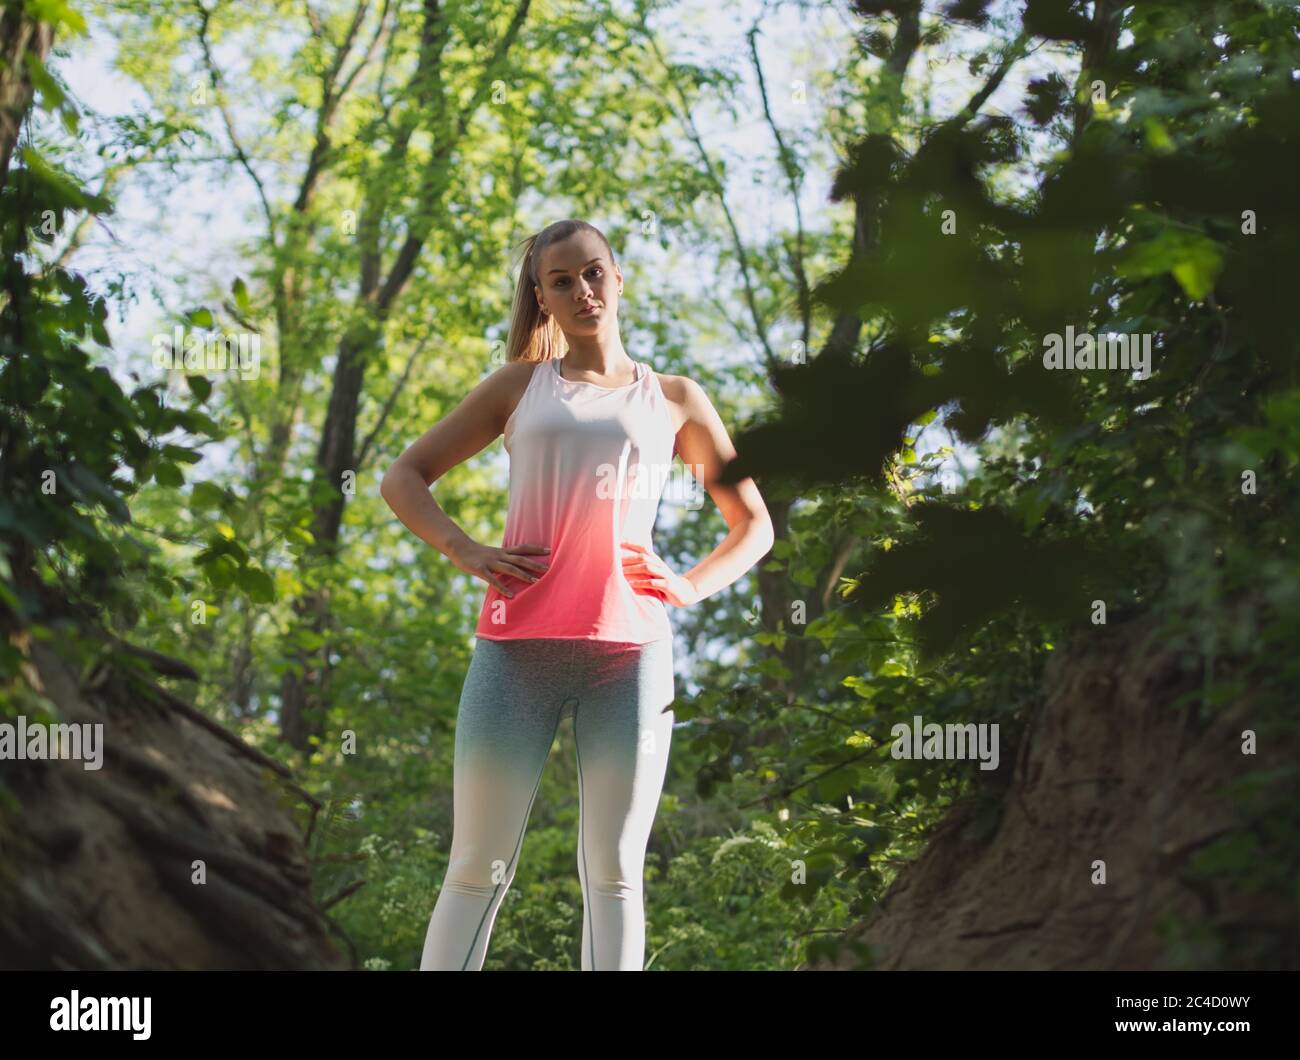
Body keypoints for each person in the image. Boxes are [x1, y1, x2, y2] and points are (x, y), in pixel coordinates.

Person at [380, 219, 775, 970]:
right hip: (514, 652)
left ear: (618, 278)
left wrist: (689, 585)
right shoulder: (517, 387)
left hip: (630, 656)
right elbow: (404, 477)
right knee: (475, 867)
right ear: (543, 298)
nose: (582, 290)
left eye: (593, 273)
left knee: (616, 874)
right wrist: (463, 548)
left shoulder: (677, 399)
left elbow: (753, 525)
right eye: (562, 281)